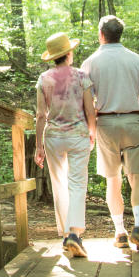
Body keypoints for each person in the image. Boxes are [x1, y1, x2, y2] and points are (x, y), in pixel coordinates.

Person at [80, 15, 139, 252]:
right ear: (120, 34)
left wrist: (91, 131)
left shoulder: (90, 63)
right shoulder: (136, 60)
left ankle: (120, 232)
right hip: (134, 121)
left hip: (106, 124)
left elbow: (87, 104)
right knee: (137, 178)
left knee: (113, 179)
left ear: (101, 34)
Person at [33, 32, 97, 259]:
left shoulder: (44, 79)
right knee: (77, 184)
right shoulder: (81, 76)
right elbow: (90, 109)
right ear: (68, 54)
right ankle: (74, 235)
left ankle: (66, 235)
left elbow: (41, 115)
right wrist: (92, 133)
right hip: (78, 134)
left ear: (53, 57)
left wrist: (38, 146)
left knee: (59, 185)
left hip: (54, 137)